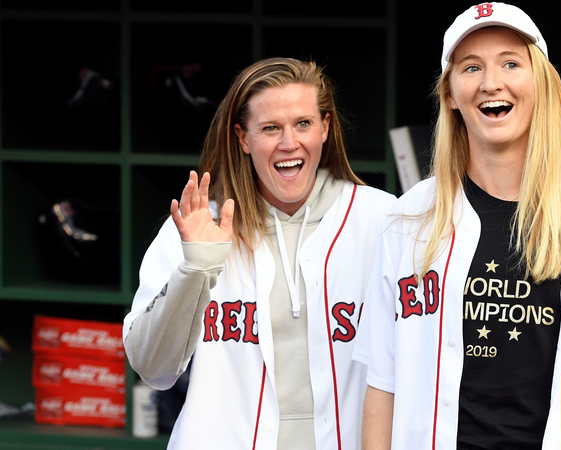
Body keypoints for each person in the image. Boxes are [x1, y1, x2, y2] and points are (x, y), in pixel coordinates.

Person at [353, 3, 561, 449]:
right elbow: (382, 381)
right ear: (449, 92)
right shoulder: (411, 216)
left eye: (511, 63)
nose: (492, 82)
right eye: (471, 67)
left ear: (541, 83)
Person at [123, 57, 396, 450]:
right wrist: (195, 270)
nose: (289, 143)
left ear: (325, 127)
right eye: (270, 128)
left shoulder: (383, 220)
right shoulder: (199, 224)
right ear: (243, 138)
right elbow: (152, 369)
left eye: (303, 123)